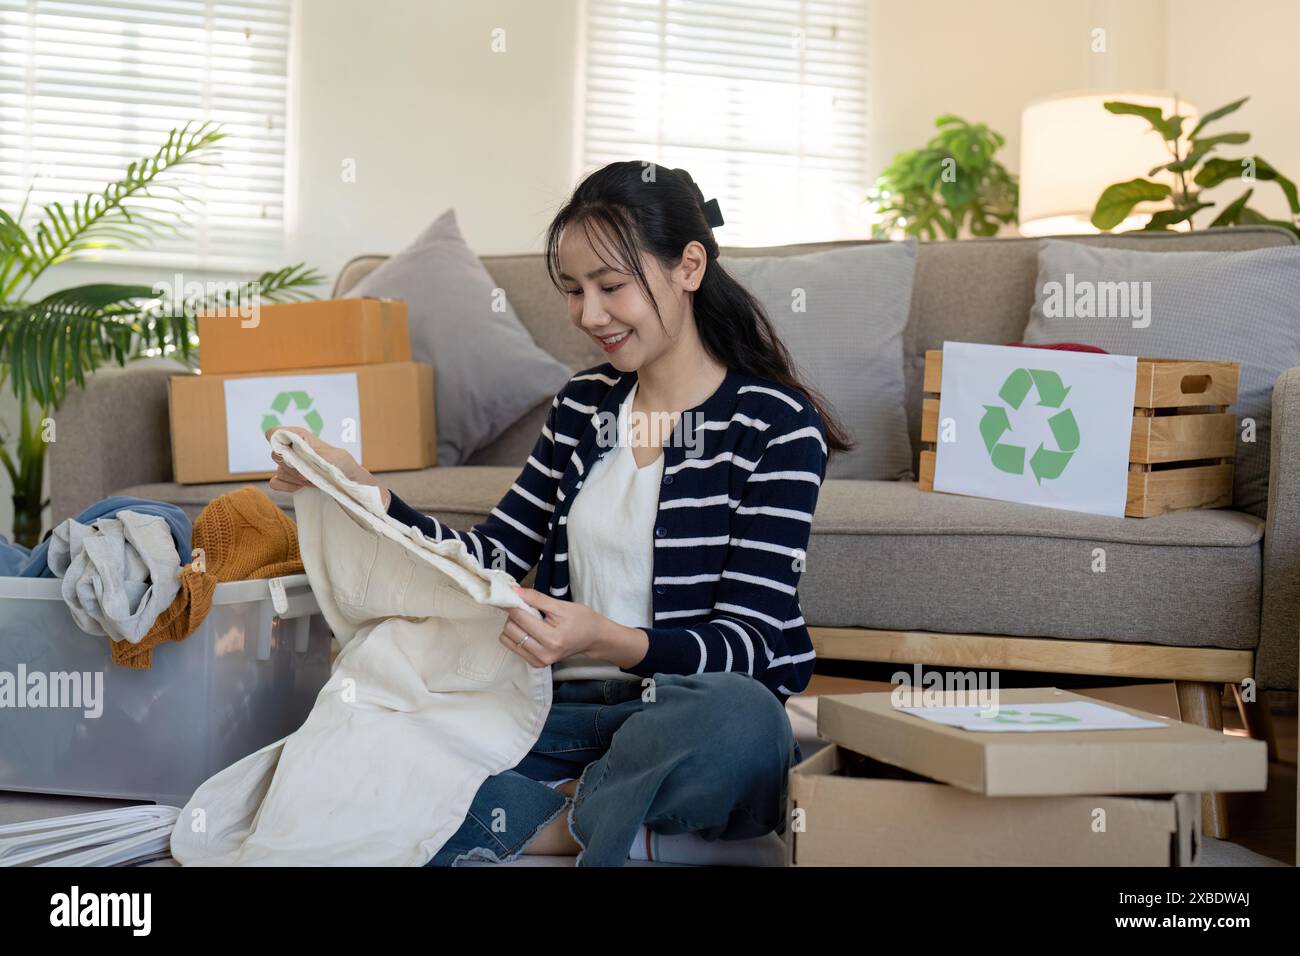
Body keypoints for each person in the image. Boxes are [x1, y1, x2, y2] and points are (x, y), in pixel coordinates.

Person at [266, 161, 854, 866]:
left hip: (686, 713)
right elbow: (492, 559)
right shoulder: (584, 406)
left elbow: (751, 644)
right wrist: (368, 494)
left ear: (689, 266)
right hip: (561, 714)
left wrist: (606, 637)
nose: (589, 315)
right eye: (574, 291)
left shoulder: (775, 424)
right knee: (370, 746)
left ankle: (544, 821)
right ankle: (618, 820)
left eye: (612, 287)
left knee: (745, 725)